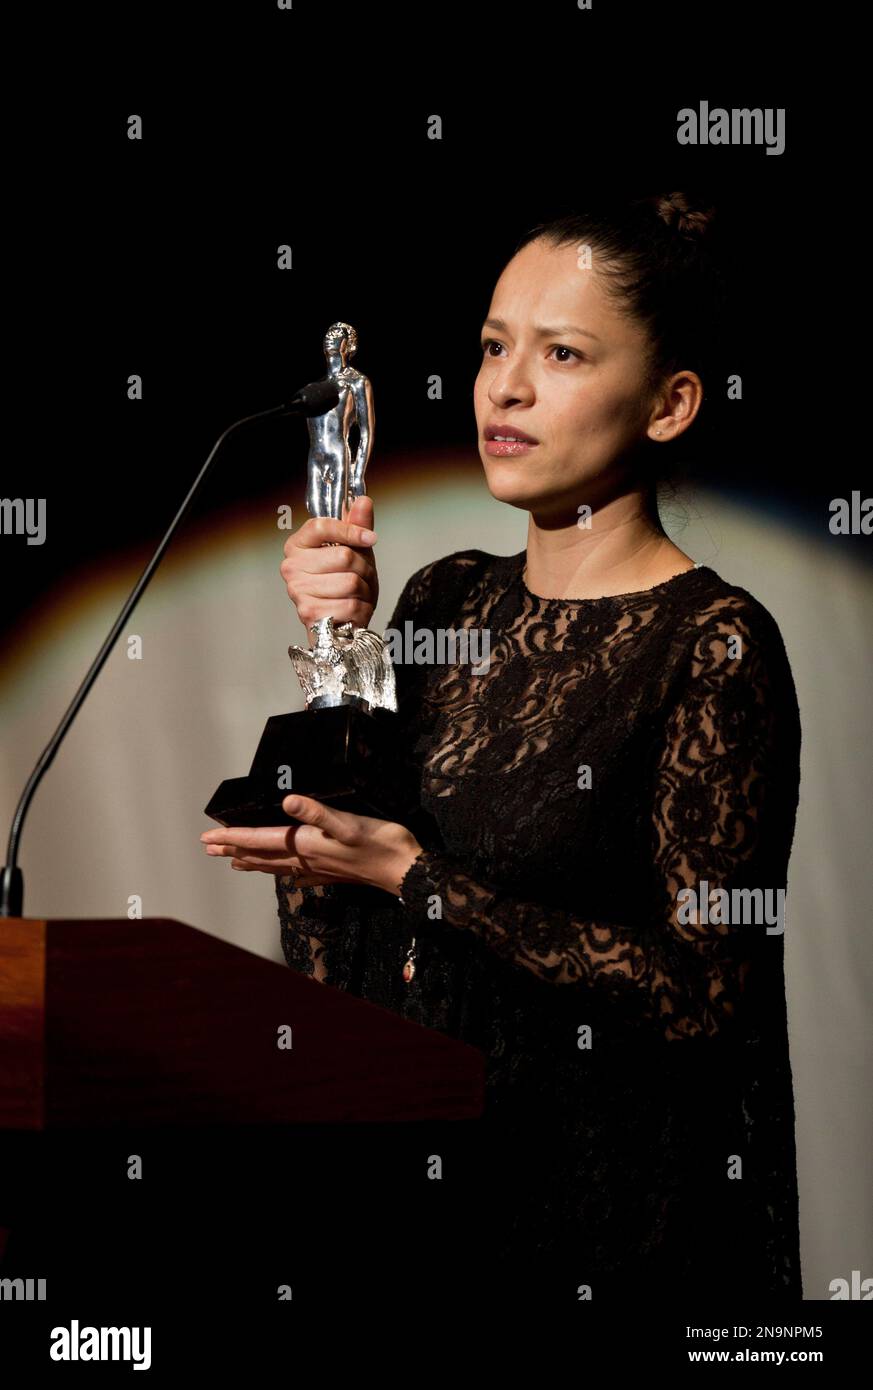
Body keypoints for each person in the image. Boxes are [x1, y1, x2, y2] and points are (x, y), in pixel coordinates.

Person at [201, 192, 803, 1302]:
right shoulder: (445, 598)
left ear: (669, 405)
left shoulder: (713, 644)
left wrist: (417, 877)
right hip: (428, 1224)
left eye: (562, 353)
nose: (505, 388)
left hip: (608, 1233)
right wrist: (341, 658)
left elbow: (699, 996)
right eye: (491, 347)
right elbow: (345, 971)